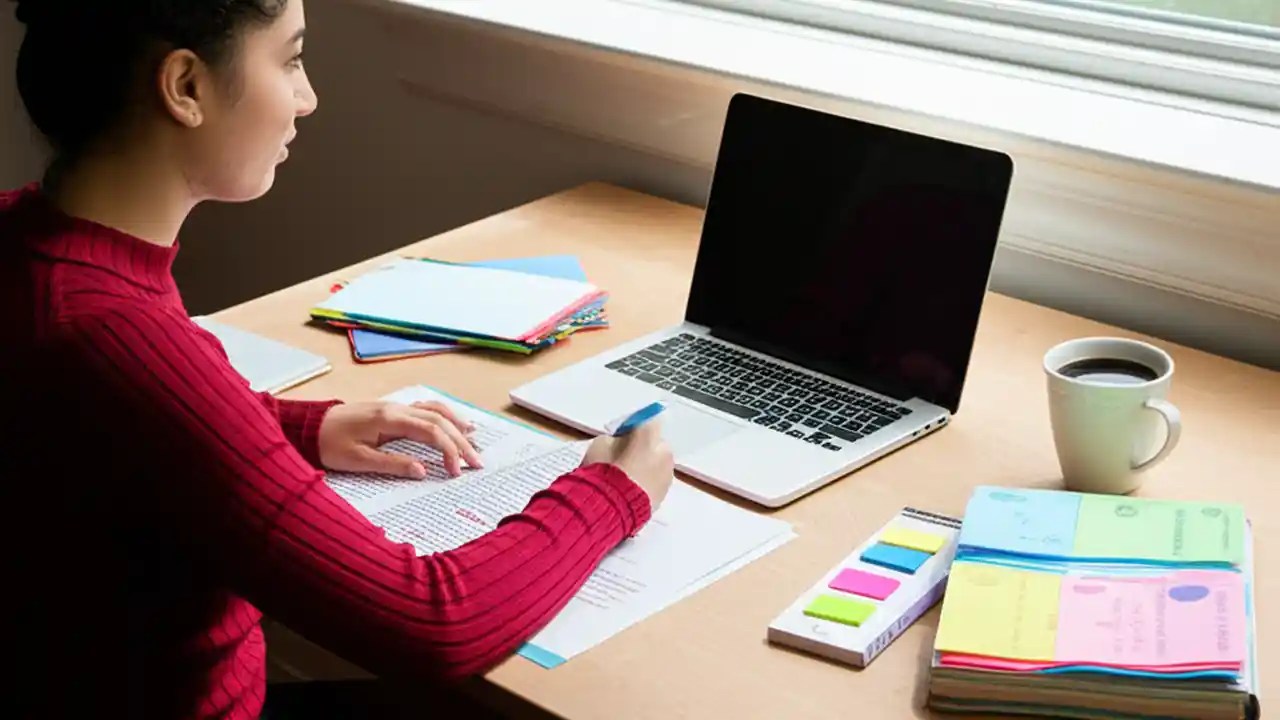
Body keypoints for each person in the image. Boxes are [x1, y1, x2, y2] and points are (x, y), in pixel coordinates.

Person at [0, 1, 674, 718]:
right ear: (186, 87)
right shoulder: (112, 333)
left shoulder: (34, 247)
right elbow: (433, 622)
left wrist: (297, 426)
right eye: (290, 60)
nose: (308, 98)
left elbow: (102, 425)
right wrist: (610, 492)